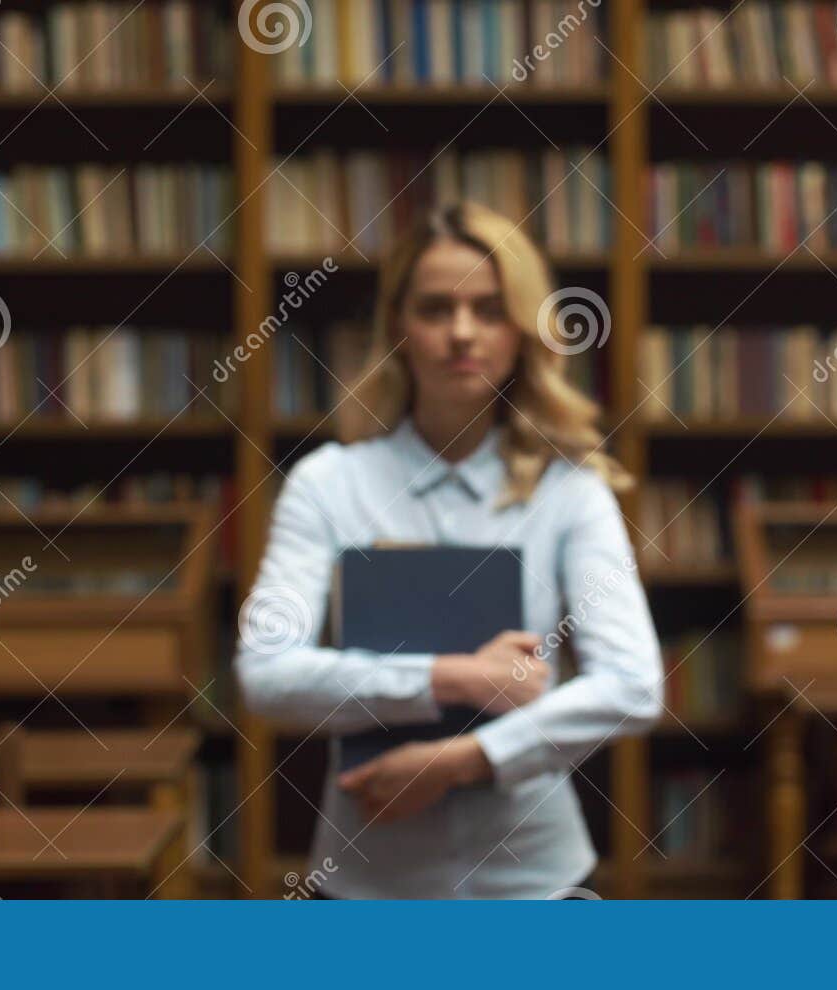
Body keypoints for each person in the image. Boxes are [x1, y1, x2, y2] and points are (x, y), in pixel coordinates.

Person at [234, 202, 663, 899]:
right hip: (364, 889)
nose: (462, 333)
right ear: (399, 327)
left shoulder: (570, 492)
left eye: (490, 309)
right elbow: (265, 675)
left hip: (536, 886)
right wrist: (454, 678)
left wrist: (465, 759)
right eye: (436, 308)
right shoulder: (327, 484)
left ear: (522, 332)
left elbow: (634, 685)